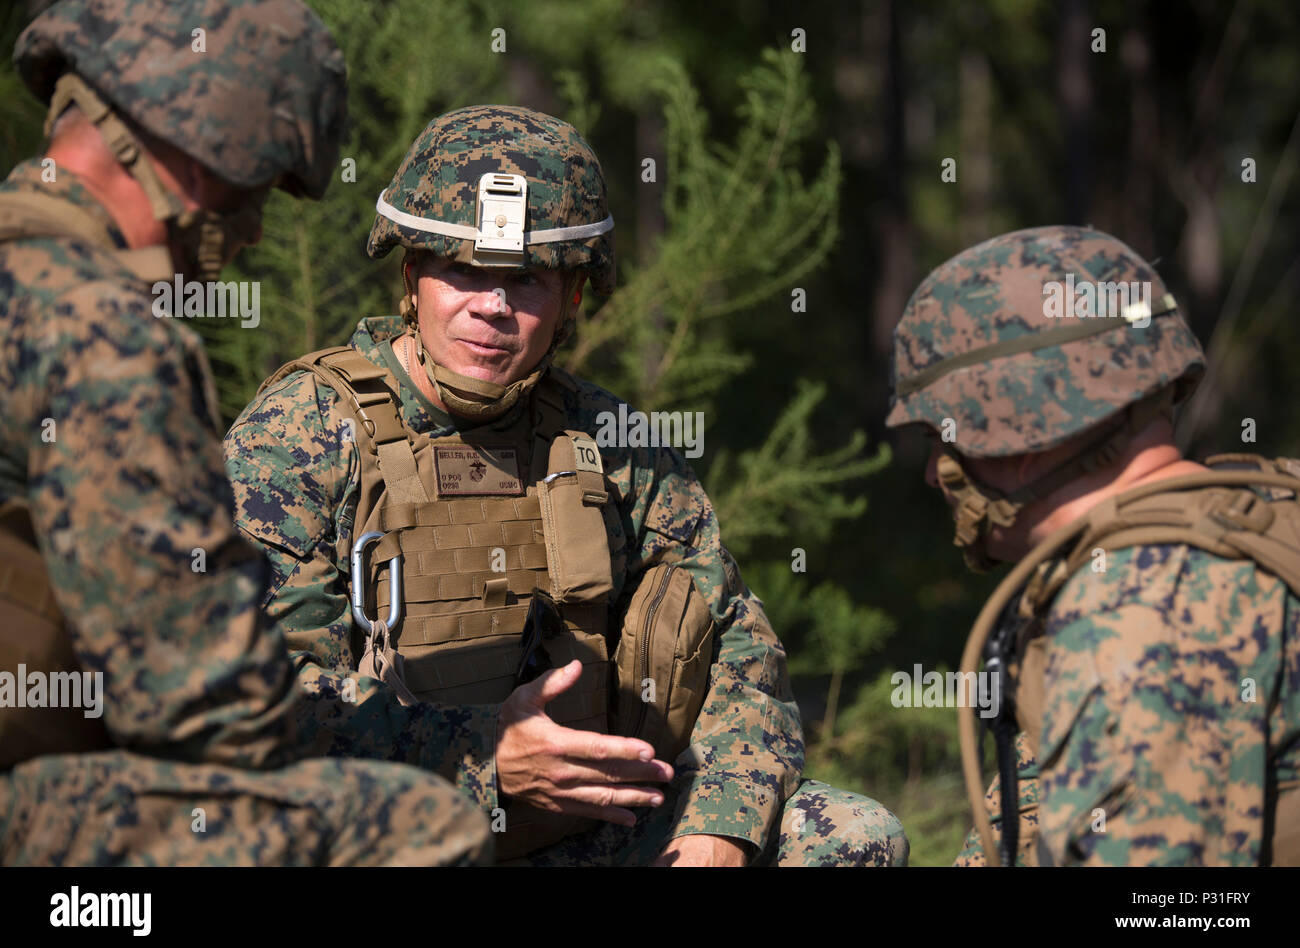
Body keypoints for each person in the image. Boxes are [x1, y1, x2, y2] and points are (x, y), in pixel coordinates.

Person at [224, 104, 908, 866]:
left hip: (575, 838)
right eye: (462, 272)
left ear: (573, 298)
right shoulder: (304, 432)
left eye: (527, 280)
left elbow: (741, 659)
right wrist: (486, 752)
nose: (492, 306)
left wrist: (718, 829)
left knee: (847, 836)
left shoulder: (605, 441)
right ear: (412, 278)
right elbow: (253, 698)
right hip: (385, 836)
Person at [0, 0, 489, 866]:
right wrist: (457, 751)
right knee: (420, 825)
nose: (254, 230)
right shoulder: (100, 330)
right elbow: (199, 701)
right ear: (197, 146)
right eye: (254, 190)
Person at [885, 224, 1300, 866]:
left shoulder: (1141, 609)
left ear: (1015, 431)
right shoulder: (1268, 509)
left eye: (940, 439)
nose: (933, 472)